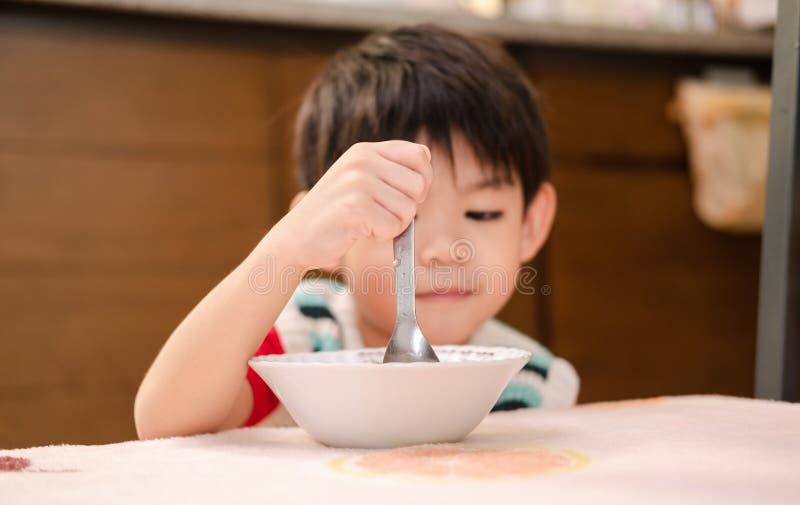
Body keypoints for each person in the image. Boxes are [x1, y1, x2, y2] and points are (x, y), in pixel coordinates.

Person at [134, 24, 579, 439]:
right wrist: (288, 249)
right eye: (398, 215)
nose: (444, 252)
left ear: (531, 225)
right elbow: (167, 424)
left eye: (482, 213)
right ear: (327, 231)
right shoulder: (301, 337)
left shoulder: (535, 383)